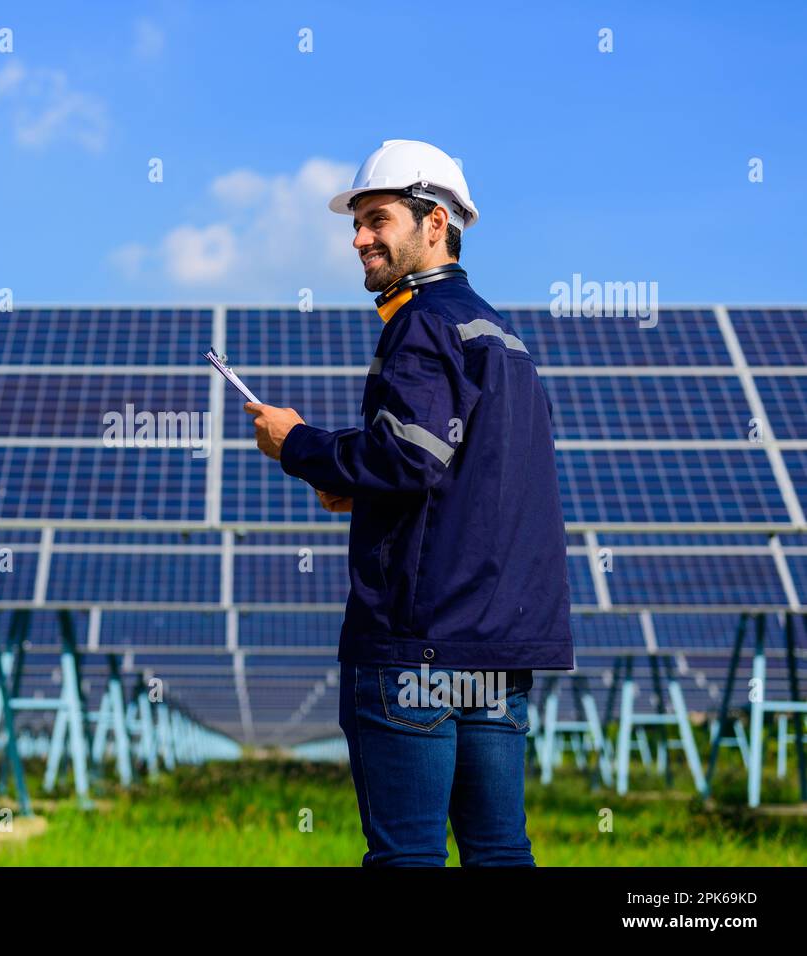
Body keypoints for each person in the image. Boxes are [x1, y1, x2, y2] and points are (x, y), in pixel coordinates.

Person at [245, 139, 574, 866]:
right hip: (494, 646)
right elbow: (463, 481)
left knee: (408, 856)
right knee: (498, 851)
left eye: (378, 218)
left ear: (436, 223)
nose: (360, 237)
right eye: (356, 222)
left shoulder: (421, 323)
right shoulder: (503, 337)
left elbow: (409, 455)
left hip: (416, 647)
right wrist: (362, 490)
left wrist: (297, 443)